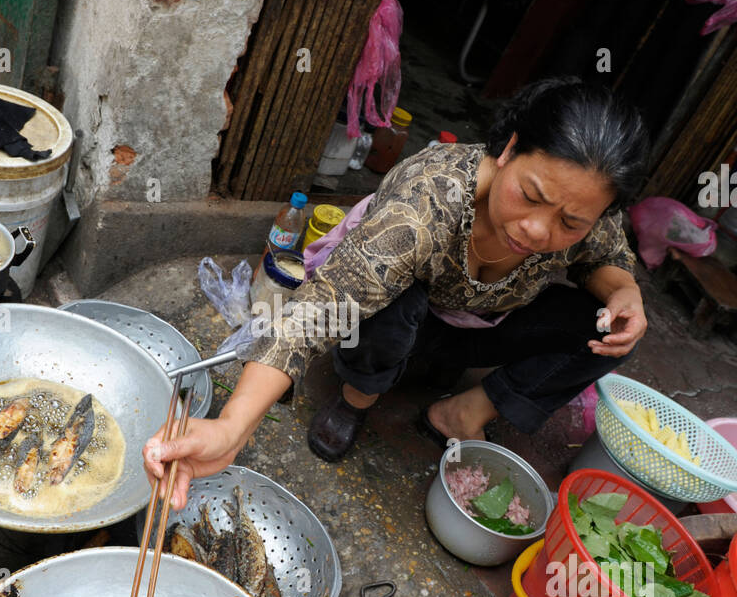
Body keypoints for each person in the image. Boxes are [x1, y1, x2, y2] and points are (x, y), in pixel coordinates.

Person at [145, 77, 649, 506]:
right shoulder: (423, 208)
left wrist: (624, 290)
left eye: (569, 222)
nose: (538, 230)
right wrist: (232, 428)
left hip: (479, 322)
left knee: (609, 324)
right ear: (511, 149)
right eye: (531, 197)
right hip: (391, 320)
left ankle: (463, 410)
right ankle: (357, 397)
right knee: (391, 304)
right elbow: (316, 315)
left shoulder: (590, 214)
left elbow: (605, 257)